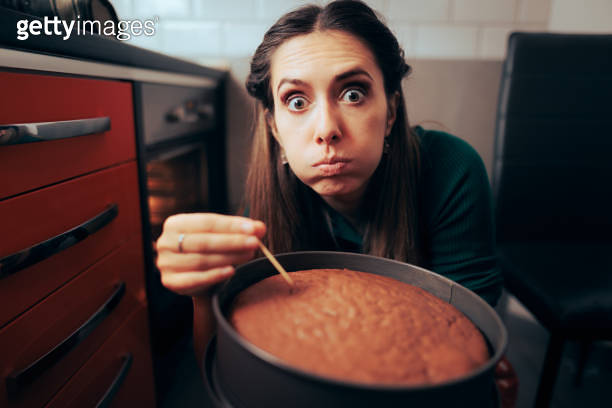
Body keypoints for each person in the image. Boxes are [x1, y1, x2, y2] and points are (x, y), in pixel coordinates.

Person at [155, 1, 516, 405]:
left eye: (353, 93)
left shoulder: (452, 170)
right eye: (296, 101)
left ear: (391, 109)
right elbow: (230, 369)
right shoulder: (265, 205)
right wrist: (203, 292)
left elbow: (468, 354)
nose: (326, 129)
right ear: (274, 127)